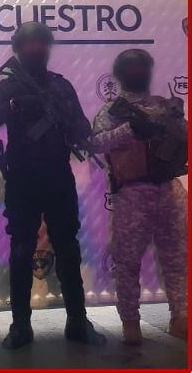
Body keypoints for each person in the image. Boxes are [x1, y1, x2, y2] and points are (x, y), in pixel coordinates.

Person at [0, 22, 107, 350]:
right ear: (18, 48)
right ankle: (20, 325)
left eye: (41, 43)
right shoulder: (9, 86)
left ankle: (77, 321)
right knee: (21, 250)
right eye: (29, 43)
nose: (36, 48)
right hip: (22, 179)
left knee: (68, 248)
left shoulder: (61, 86)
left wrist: (71, 125)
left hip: (57, 176)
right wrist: (13, 105)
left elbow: (81, 126)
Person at [91, 49, 188, 345]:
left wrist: (176, 124)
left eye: (142, 67)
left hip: (169, 188)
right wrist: (129, 130)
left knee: (178, 257)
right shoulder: (112, 111)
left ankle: (181, 315)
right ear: (120, 74)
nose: (137, 72)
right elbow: (95, 143)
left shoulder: (162, 105)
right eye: (131, 68)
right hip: (133, 192)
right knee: (127, 261)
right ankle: (130, 321)